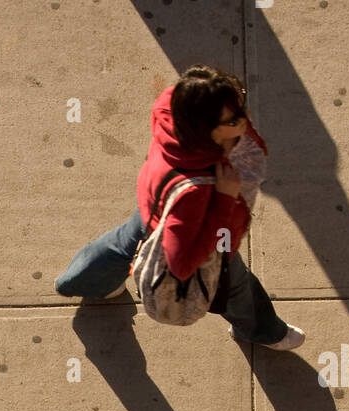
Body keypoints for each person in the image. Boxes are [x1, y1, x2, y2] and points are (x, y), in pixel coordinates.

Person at [55, 65, 304, 351]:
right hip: (202, 227)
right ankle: (264, 331)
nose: (243, 120)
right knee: (236, 286)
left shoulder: (172, 108)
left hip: (156, 201)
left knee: (128, 240)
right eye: (233, 117)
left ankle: (82, 282)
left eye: (240, 101)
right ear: (206, 129)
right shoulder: (198, 190)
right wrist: (224, 200)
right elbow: (181, 264)